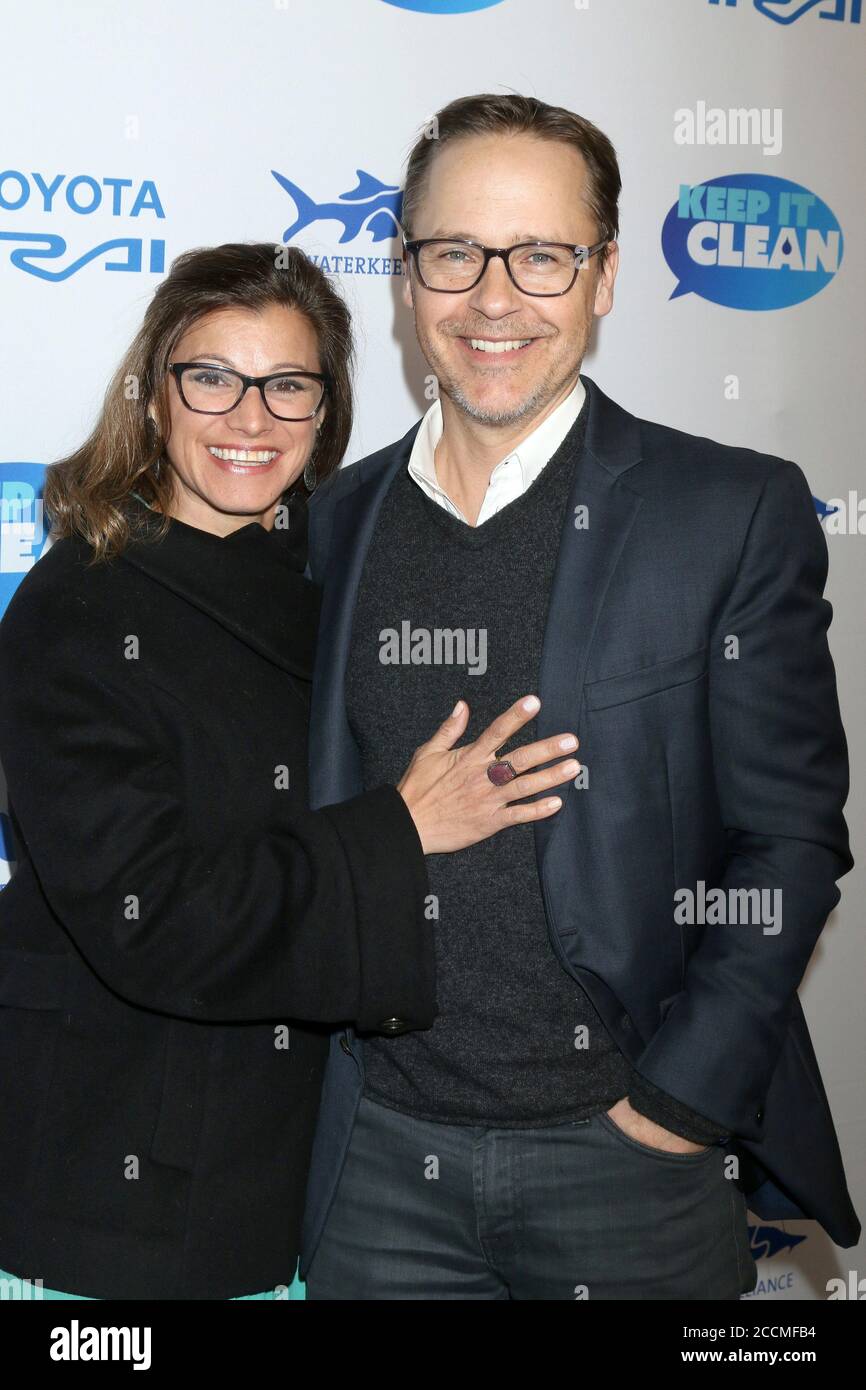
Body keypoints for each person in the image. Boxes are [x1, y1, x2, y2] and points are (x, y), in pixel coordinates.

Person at [300, 94, 859, 1301]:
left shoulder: (728, 511)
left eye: (542, 255)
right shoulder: (329, 521)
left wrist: (676, 1103)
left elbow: (790, 836)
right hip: (375, 1161)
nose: (493, 297)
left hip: (630, 1169)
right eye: (455, 252)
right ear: (406, 277)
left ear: (604, 275)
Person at [0, 241, 581, 1300]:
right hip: (115, 1188)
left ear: (326, 411)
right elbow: (152, 914)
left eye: (288, 384)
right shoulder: (80, 607)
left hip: (312, 1177)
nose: (249, 417)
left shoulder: (339, 586)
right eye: (211, 376)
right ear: (153, 393)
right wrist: (398, 829)